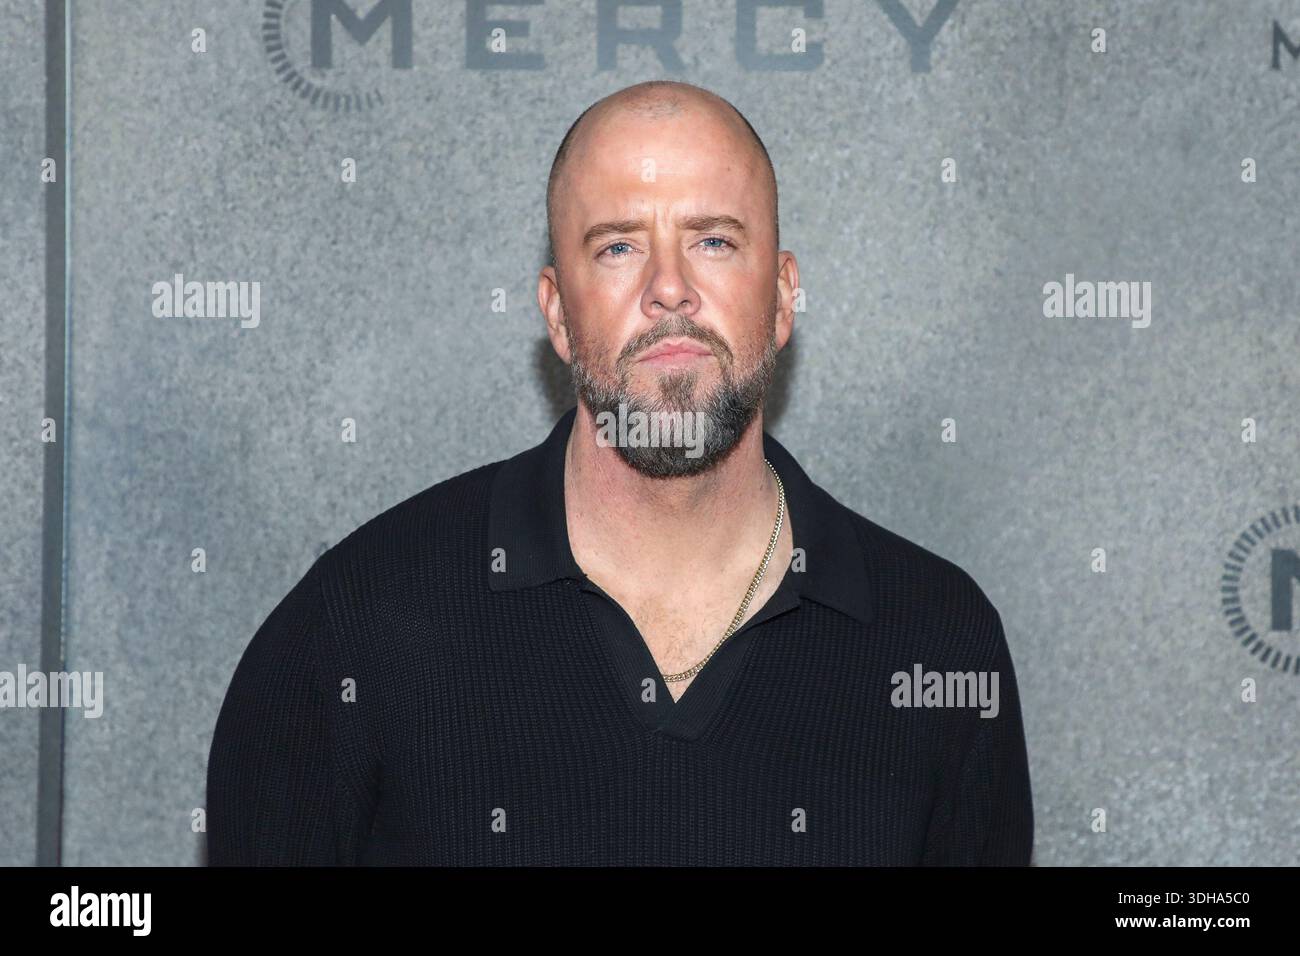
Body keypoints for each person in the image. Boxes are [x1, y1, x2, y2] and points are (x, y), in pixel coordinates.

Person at [207, 80, 1033, 865]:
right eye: (617, 247)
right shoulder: (351, 633)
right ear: (557, 313)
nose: (668, 288)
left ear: (782, 299)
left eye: (713, 240)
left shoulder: (939, 644)